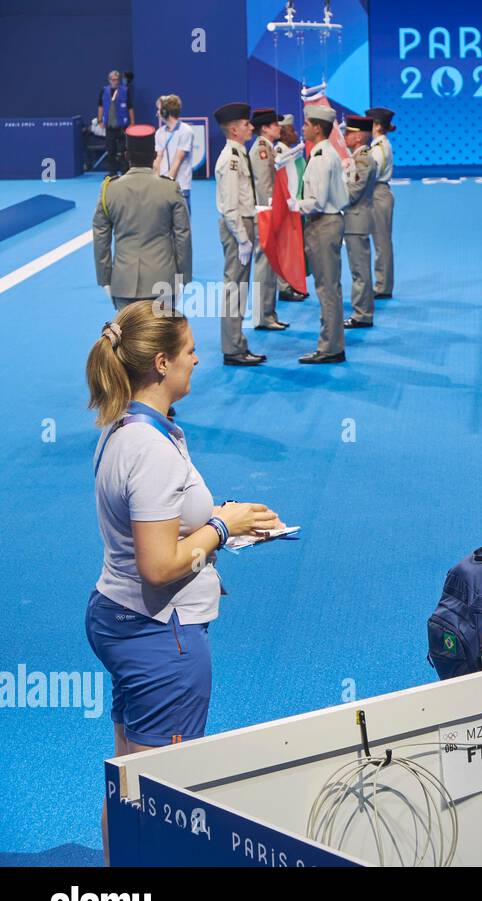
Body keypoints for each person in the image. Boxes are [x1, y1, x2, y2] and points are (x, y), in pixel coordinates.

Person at [84, 301, 280, 861]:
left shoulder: (126, 426)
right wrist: (221, 526)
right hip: (159, 636)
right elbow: (160, 564)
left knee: (129, 776)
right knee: (162, 793)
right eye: (190, 351)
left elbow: (159, 523)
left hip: (124, 617)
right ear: (163, 364)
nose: (199, 359)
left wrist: (226, 521)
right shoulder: (150, 449)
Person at [93, 125, 191, 312]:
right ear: (154, 156)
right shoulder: (170, 189)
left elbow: (100, 238)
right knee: (163, 340)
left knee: (128, 339)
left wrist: (105, 279)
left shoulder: (109, 190)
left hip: (123, 284)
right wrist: (183, 278)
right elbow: (182, 236)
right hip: (162, 281)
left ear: (127, 156)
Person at [291, 104, 350, 364]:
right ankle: (333, 343)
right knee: (330, 287)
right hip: (328, 222)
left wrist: (293, 205)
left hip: (323, 223)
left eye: (306, 124)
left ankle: (329, 347)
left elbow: (316, 199)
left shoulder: (321, 157)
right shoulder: (324, 153)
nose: (302, 128)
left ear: (316, 127)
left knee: (327, 288)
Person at [213, 102, 266, 367]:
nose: (251, 127)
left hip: (243, 223)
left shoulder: (239, 154)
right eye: (246, 124)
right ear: (234, 130)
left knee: (240, 287)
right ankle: (232, 348)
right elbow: (229, 205)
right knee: (234, 287)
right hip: (238, 226)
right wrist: (243, 238)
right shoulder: (231, 160)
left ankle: (237, 343)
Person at [247, 108, 289, 331]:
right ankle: (263, 316)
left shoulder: (268, 147)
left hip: (268, 212)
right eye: (275, 124)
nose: (279, 127)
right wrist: (271, 212)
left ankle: (269, 313)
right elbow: (264, 184)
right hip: (265, 213)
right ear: (264, 128)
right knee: (264, 265)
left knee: (270, 265)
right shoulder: (262, 149)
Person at [341, 116, 378, 330]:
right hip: (355, 219)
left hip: (356, 219)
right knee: (358, 269)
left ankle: (362, 314)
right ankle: (362, 311)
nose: (345, 136)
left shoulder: (363, 159)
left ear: (359, 136)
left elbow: (354, 192)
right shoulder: (357, 157)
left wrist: (332, 197)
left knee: (359, 270)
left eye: (348, 133)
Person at [274, 115, 308, 304]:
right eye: (292, 130)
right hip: (286, 205)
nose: (296, 134)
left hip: (294, 205)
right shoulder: (281, 151)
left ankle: (293, 284)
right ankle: (284, 287)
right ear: (283, 134)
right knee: (284, 248)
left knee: (293, 248)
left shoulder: (291, 151)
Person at [365, 107, 396, 299]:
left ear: (376, 126)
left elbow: (371, 176)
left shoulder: (378, 149)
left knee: (381, 242)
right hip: (379, 194)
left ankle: (383, 286)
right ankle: (383, 283)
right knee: (381, 241)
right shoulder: (379, 145)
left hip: (378, 194)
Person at [152, 95, 194, 212]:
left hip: (180, 187)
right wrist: (156, 182)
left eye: (159, 109)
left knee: (182, 227)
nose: (157, 112)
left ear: (165, 111)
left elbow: (177, 161)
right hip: (163, 186)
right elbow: (158, 159)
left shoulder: (186, 131)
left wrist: (168, 184)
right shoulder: (159, 133)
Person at [96, 70, 134, 176]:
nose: (114, 81)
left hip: (122, 125)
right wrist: (100, 120)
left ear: (119, 80)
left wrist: (132, 122)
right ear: (109, 80)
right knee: (110, 150)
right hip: (109, 125)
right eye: (112, 79)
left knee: (123, 150)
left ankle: (125, 171)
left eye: (116, 79)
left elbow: (130, 107)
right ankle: (112, 172)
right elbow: (100, 106)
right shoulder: (104, 91)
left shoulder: (125, 91)